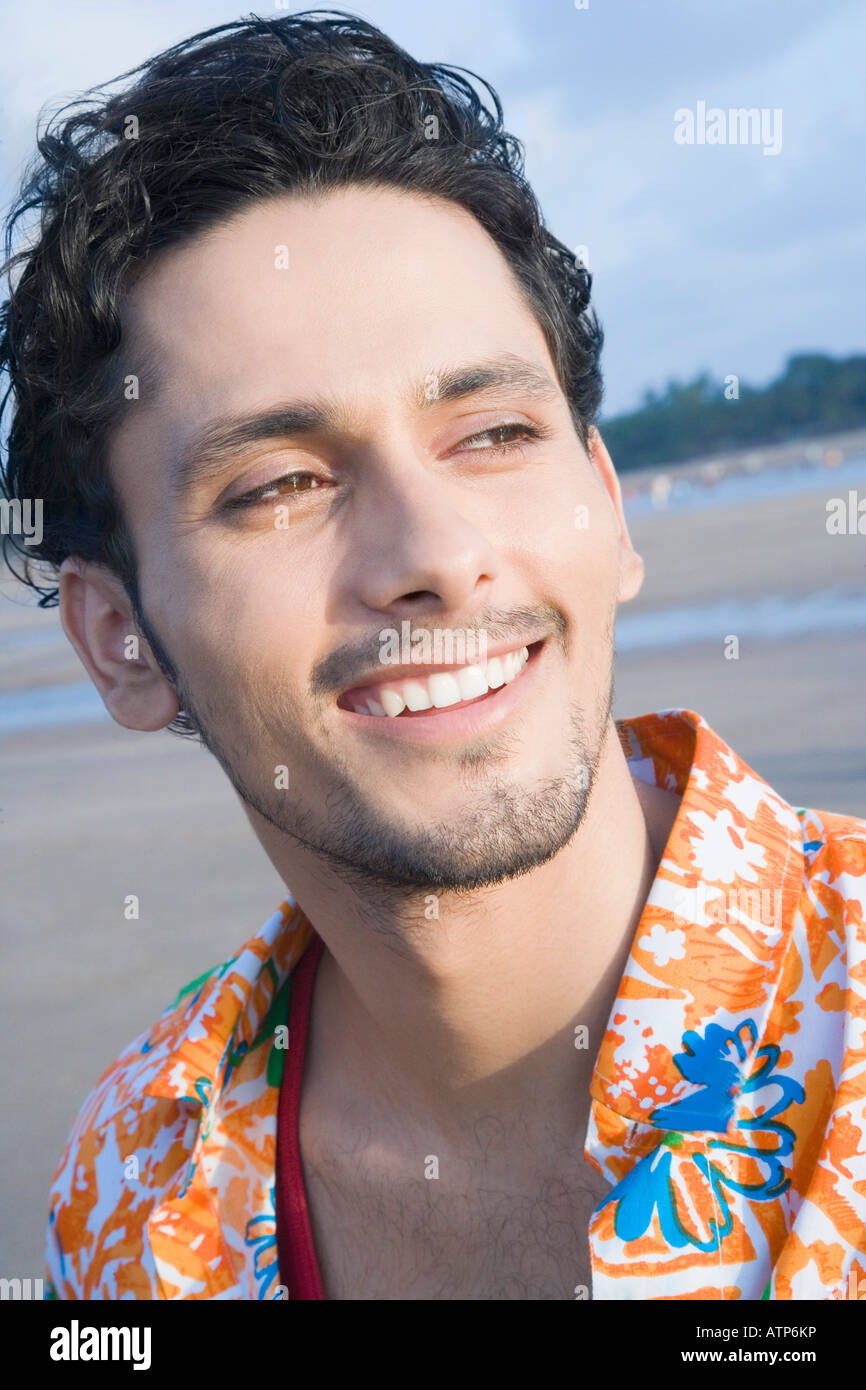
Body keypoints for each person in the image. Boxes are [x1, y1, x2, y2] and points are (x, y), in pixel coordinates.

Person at [2, 11, 864, 1301]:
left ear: (611, 508)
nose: (436, 552)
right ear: (122, 641)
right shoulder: (130, 1183)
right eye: (282, 481)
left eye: (496, 432)